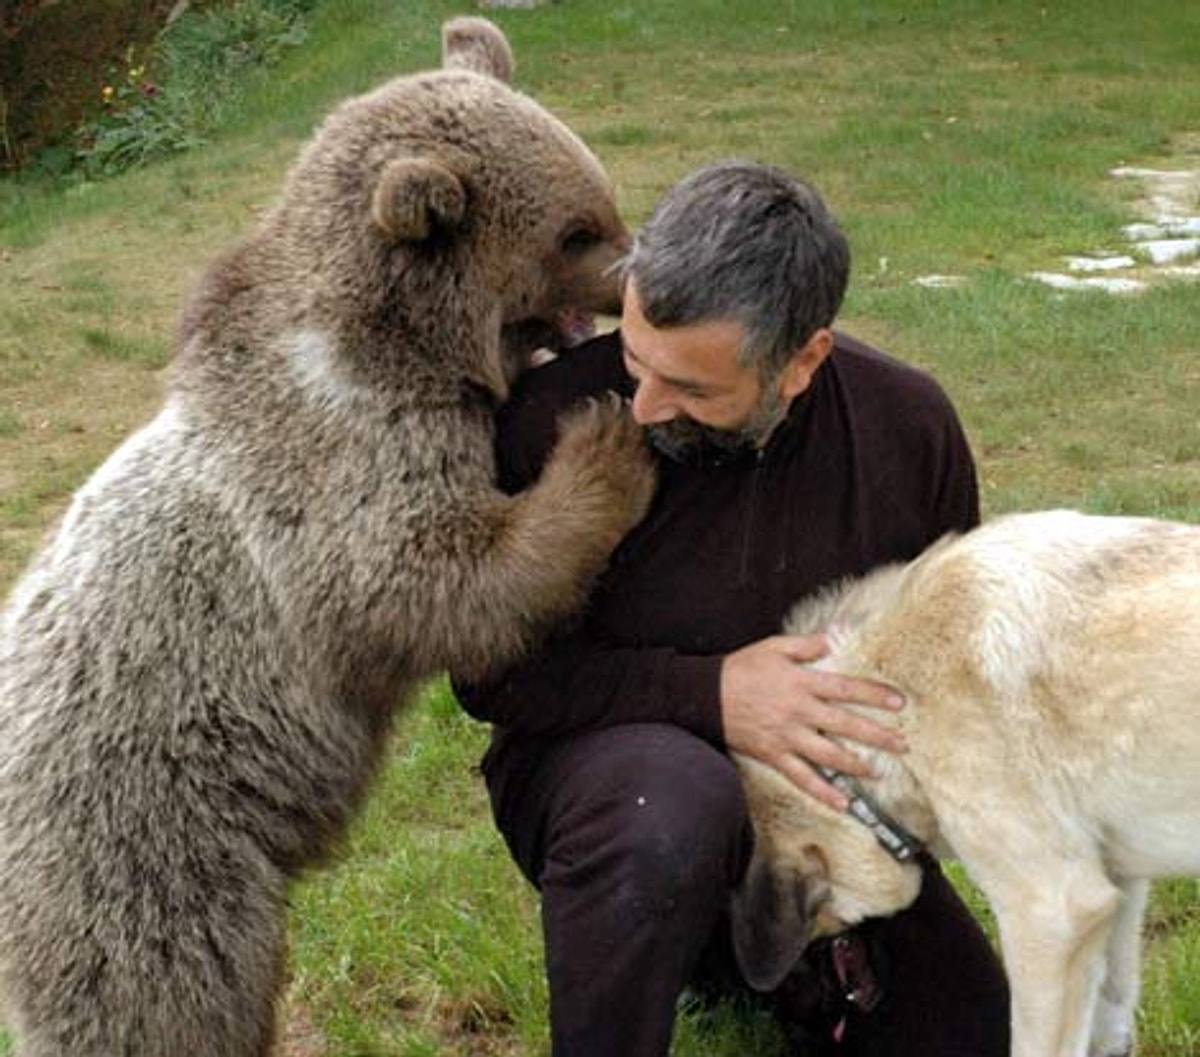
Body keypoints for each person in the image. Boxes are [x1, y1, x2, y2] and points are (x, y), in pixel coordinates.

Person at [455, 160, 1009, 1057]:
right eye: (637, 359)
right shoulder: (547, 421)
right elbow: (494, 682)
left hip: (825, 812)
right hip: (615, 799)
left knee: (983, 1033)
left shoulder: (910, 428)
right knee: (665, 807)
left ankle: (794, 960)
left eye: (693, 390)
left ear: (803, 360)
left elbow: (952, 674)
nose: (643, 405)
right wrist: (714, 694)